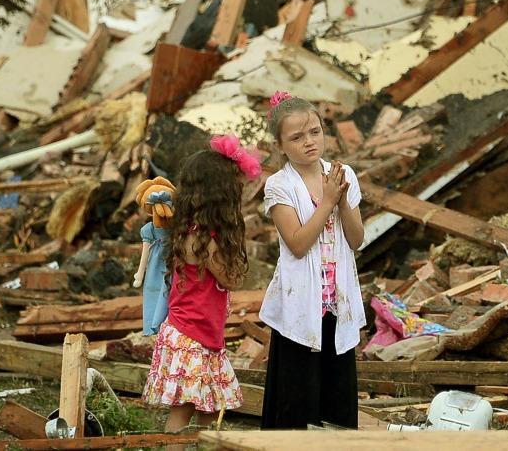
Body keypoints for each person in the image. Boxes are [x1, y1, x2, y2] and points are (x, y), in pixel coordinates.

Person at [142, 135, 261, 446]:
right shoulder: (206, 241)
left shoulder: (188, 231)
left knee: (209, 405)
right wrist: (234, 237)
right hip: (192, 337)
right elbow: (229, 279)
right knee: (184, 410)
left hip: (197, 333)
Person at [258, 91, 367, 430]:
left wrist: (343, 201)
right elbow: (298, 243)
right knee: (297, 398)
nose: (309, 141)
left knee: (337, 399)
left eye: (315, 132)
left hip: (337, 303)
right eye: (296, 137)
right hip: (300, 304)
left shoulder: (343, 174)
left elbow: (356, 239)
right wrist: (328, 201)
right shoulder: (279, 185)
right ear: (279, 145)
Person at [132, 176, 176, 336]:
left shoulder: (175, 225)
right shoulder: (150, 229)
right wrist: (140, 272)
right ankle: (157, 325)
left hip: (173, 260)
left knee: (170, 293)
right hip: (158, 265)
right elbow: (145, 252)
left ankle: (169, 324)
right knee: (155, 291)